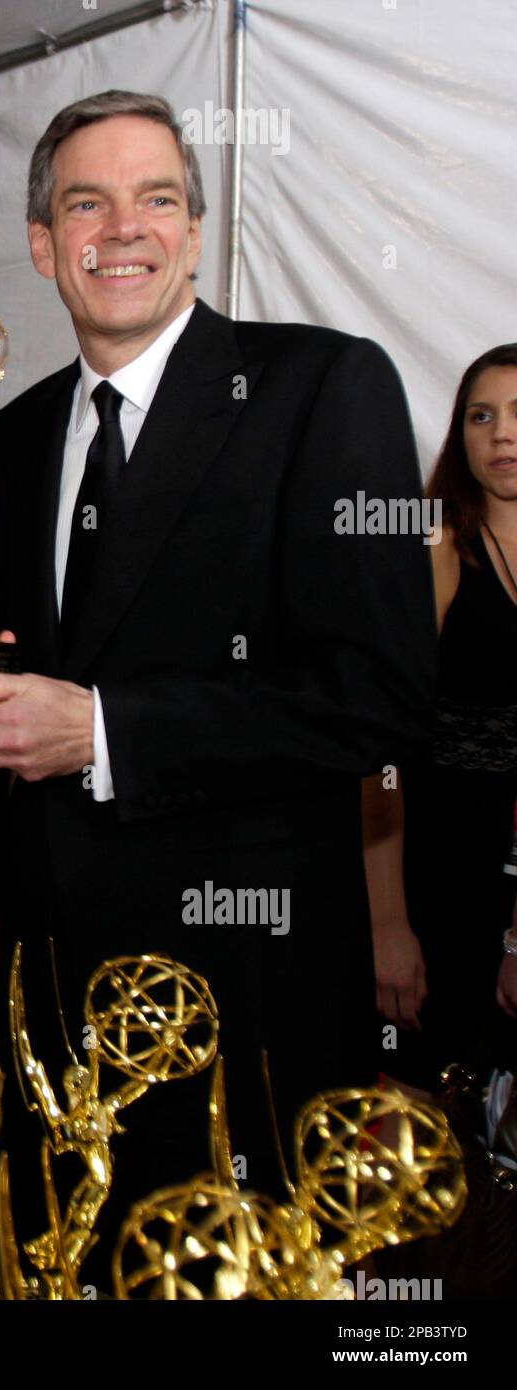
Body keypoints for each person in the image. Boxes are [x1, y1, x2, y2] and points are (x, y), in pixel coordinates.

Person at [0, 90, 436, 1222]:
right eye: (86, 203)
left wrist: (102, 731)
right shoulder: (30, 427)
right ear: (46, 244)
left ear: (196, 231)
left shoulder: (324, 388)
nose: (124, 227)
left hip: (246, 988)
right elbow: (71, 650)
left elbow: (379, 700)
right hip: (54, 987)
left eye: (157, 199)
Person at [367, 345, 517, 1089]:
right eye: (481, 415)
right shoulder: (438, 545)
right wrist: (388, 921)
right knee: (429, 1122)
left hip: (511, 873)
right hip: (435, 866)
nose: (502, 435)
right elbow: (378, 745)